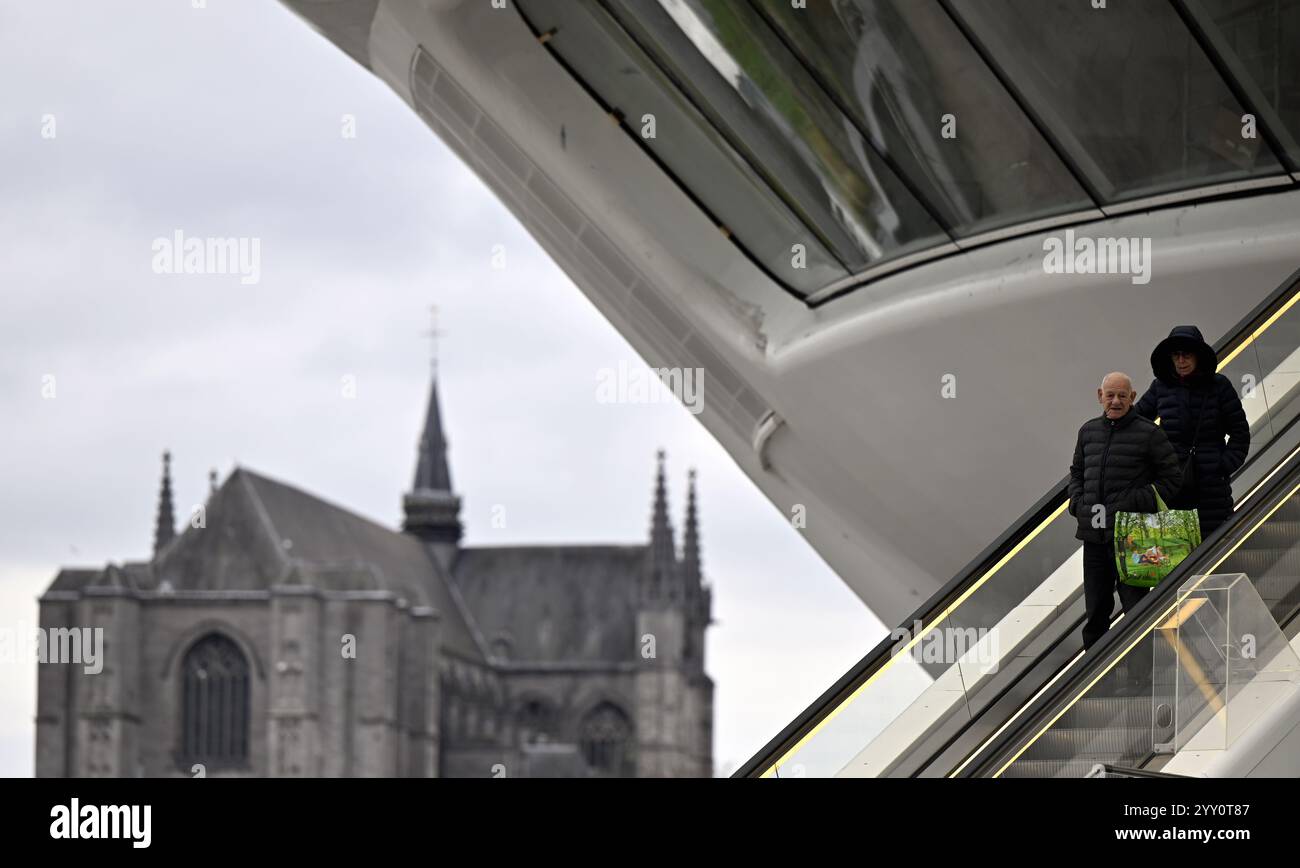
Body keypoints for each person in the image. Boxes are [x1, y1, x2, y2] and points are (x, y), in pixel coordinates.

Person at [1069, 372, 1183, 659]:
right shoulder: (1088, 432)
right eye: (1110, 395)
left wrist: (1132, 502)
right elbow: (1077, 473)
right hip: (1094, 538)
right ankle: (1091, 677)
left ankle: (1139, 678)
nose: (1116, 401)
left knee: (1137, 612)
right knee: (1095, 613)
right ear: (1100, 396)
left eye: (1122, 395)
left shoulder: (1149, 434)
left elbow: (1171, 481)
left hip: (1134, 538)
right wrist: (1078, 505)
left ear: (1133, 398)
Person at [1135, 326, 1250, 541]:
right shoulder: (1161, 387)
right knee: (1178, 550)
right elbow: (1136, 421)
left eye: (1186, 354)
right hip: (1174, 484)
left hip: (1212, 487)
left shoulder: (1219, 386)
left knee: (1217, 546)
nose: (1181, 361)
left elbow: (1240, 432)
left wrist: (1223, 465)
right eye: (1176, 355)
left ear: (1197, 356)